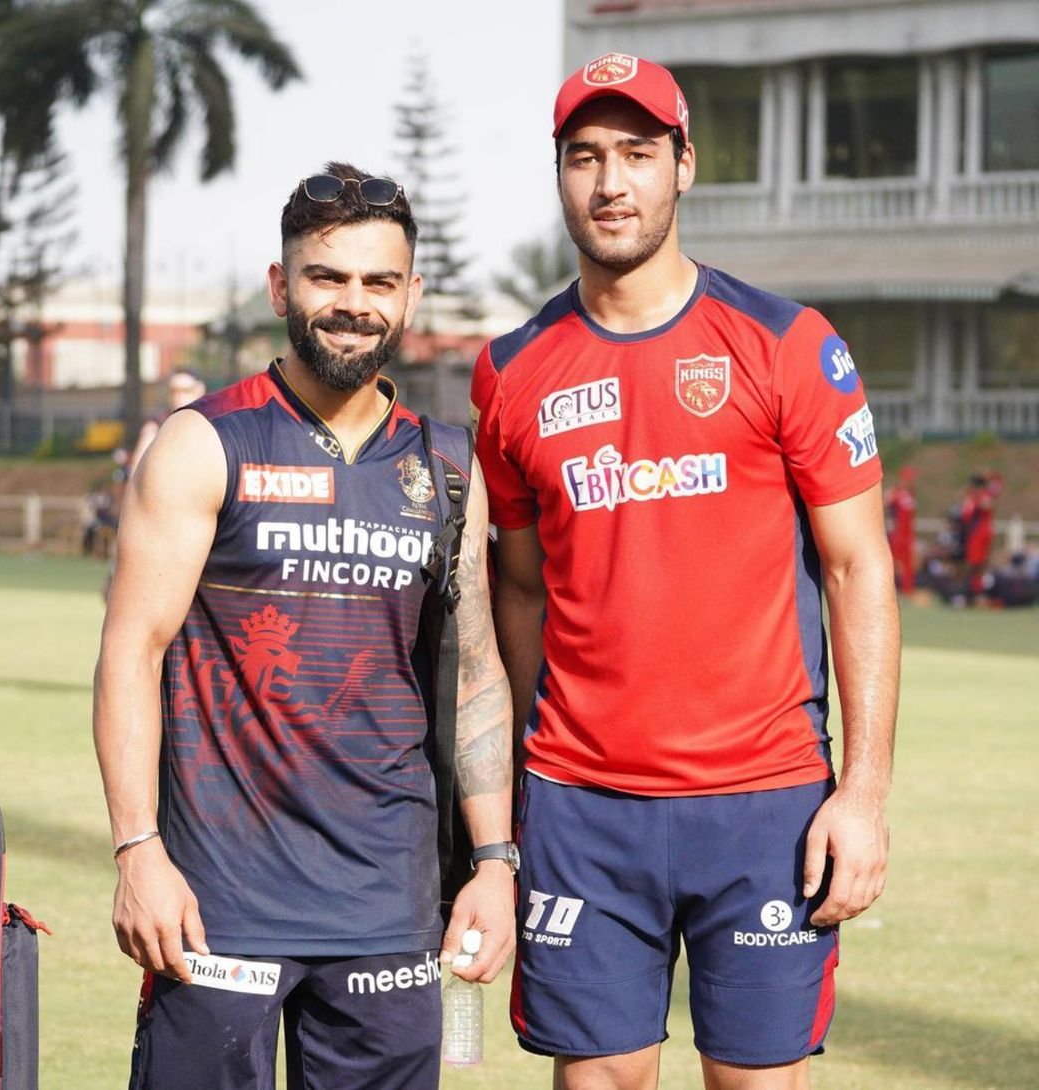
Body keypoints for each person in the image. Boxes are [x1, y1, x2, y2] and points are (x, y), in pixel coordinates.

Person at [471, 54, 900, 1089]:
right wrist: (528, 788)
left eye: (636, 153)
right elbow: (519, 592)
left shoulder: (788, 345)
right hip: (582, 805)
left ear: (683, 166)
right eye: (585, 158)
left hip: (765, 805)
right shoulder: (511, 371)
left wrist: (865, 794)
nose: (610, 182)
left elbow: (859, 573)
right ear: (561, 174)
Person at [94, 162, 515, 1090]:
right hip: (214, 904)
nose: (352, 304)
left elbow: (478, 669)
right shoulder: (205, 442)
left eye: (377, 282)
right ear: (283, 286)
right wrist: (137, 850)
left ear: (410, 296)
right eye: (327, 277)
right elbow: (132, 651)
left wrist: (492, 862)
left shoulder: (448, 466)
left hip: (389, 904)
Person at [129, 365, 208, 472]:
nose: (179, 396)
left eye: (185, 390)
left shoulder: (211, 424)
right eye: (174, 391)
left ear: (200, 390)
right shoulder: (156, 427)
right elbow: (136, 469)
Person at [884, 466, 918, 593]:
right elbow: (886, 502)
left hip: (908, 534)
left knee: (908, 564)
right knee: (892, 562)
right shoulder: (896, 493)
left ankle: (908, 589)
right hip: (898, 534)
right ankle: (887, 589)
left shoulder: (911, 494)